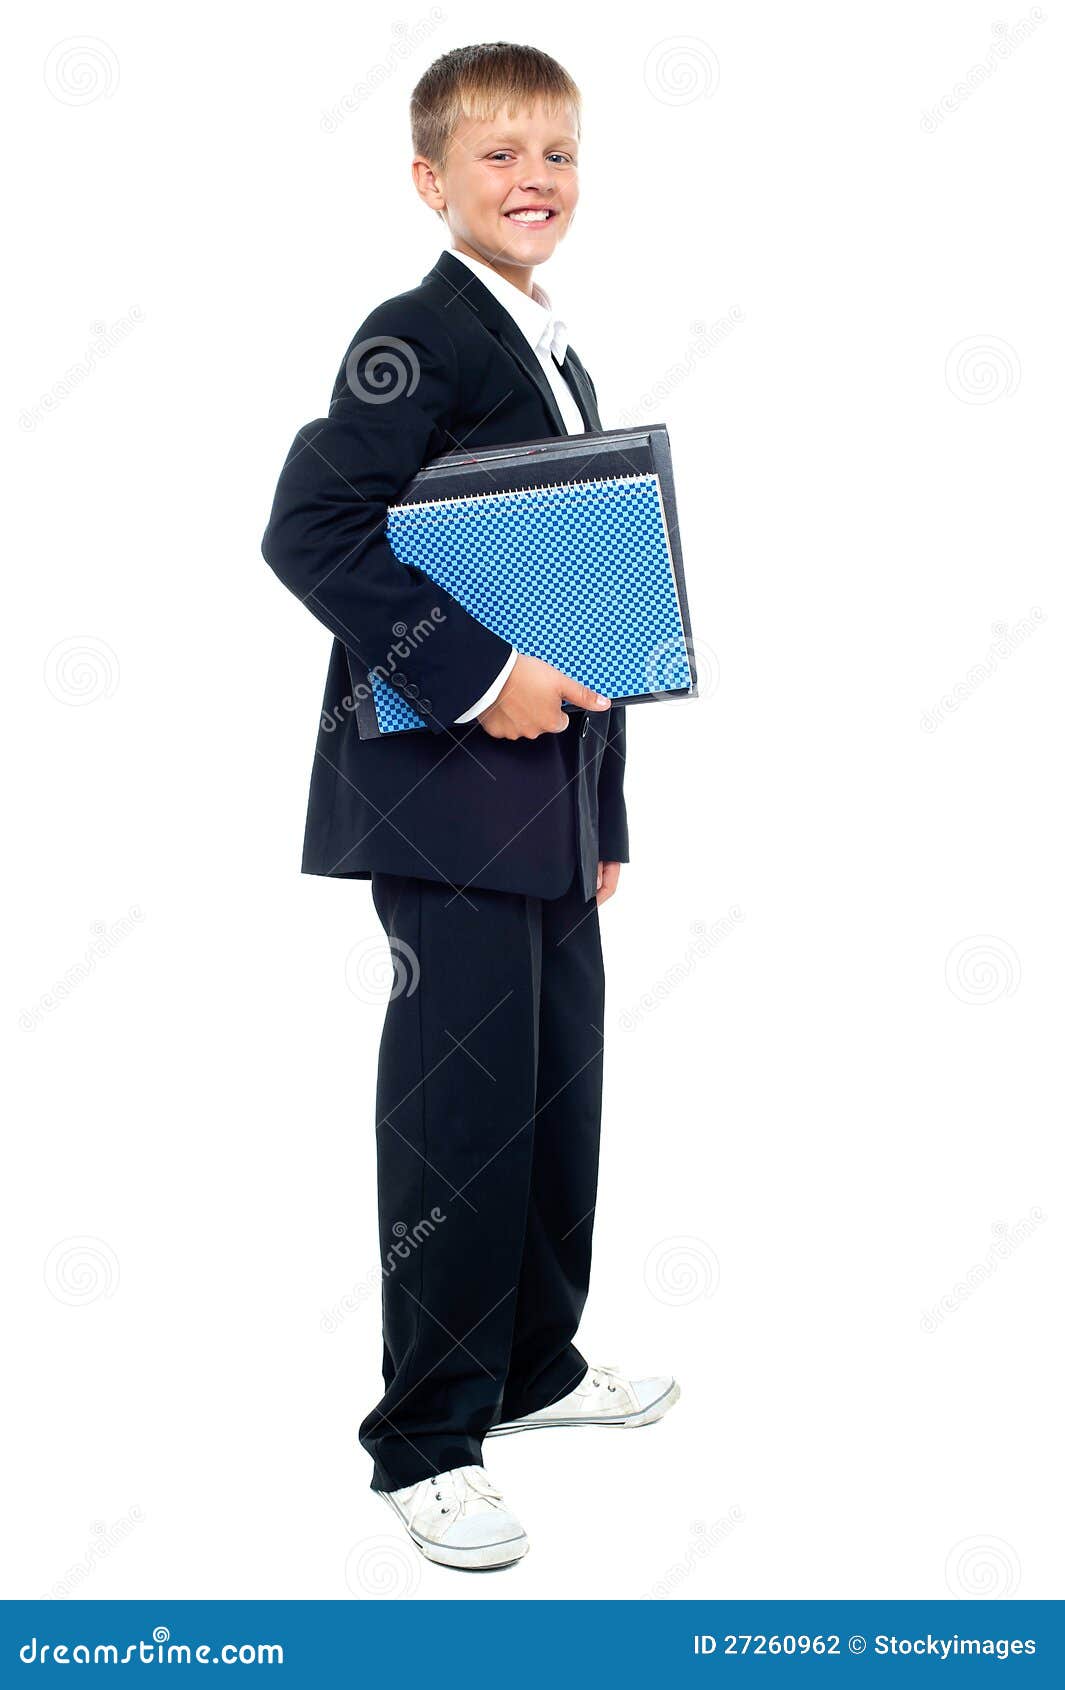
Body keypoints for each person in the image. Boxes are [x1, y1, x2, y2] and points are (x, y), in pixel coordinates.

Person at [261, 41, 678, 1572]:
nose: (534, 182)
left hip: (546, 808)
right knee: (456, 1117)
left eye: (556, 156)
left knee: (557, 1090)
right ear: (431, 183)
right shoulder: (412, 338)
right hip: (444, 799)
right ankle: (425, 1437)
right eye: (498, 157)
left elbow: (583, 586)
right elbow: (309, 529)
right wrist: (472, 670)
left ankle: (532, 1367)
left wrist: (606, 811)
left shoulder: (554, 350)